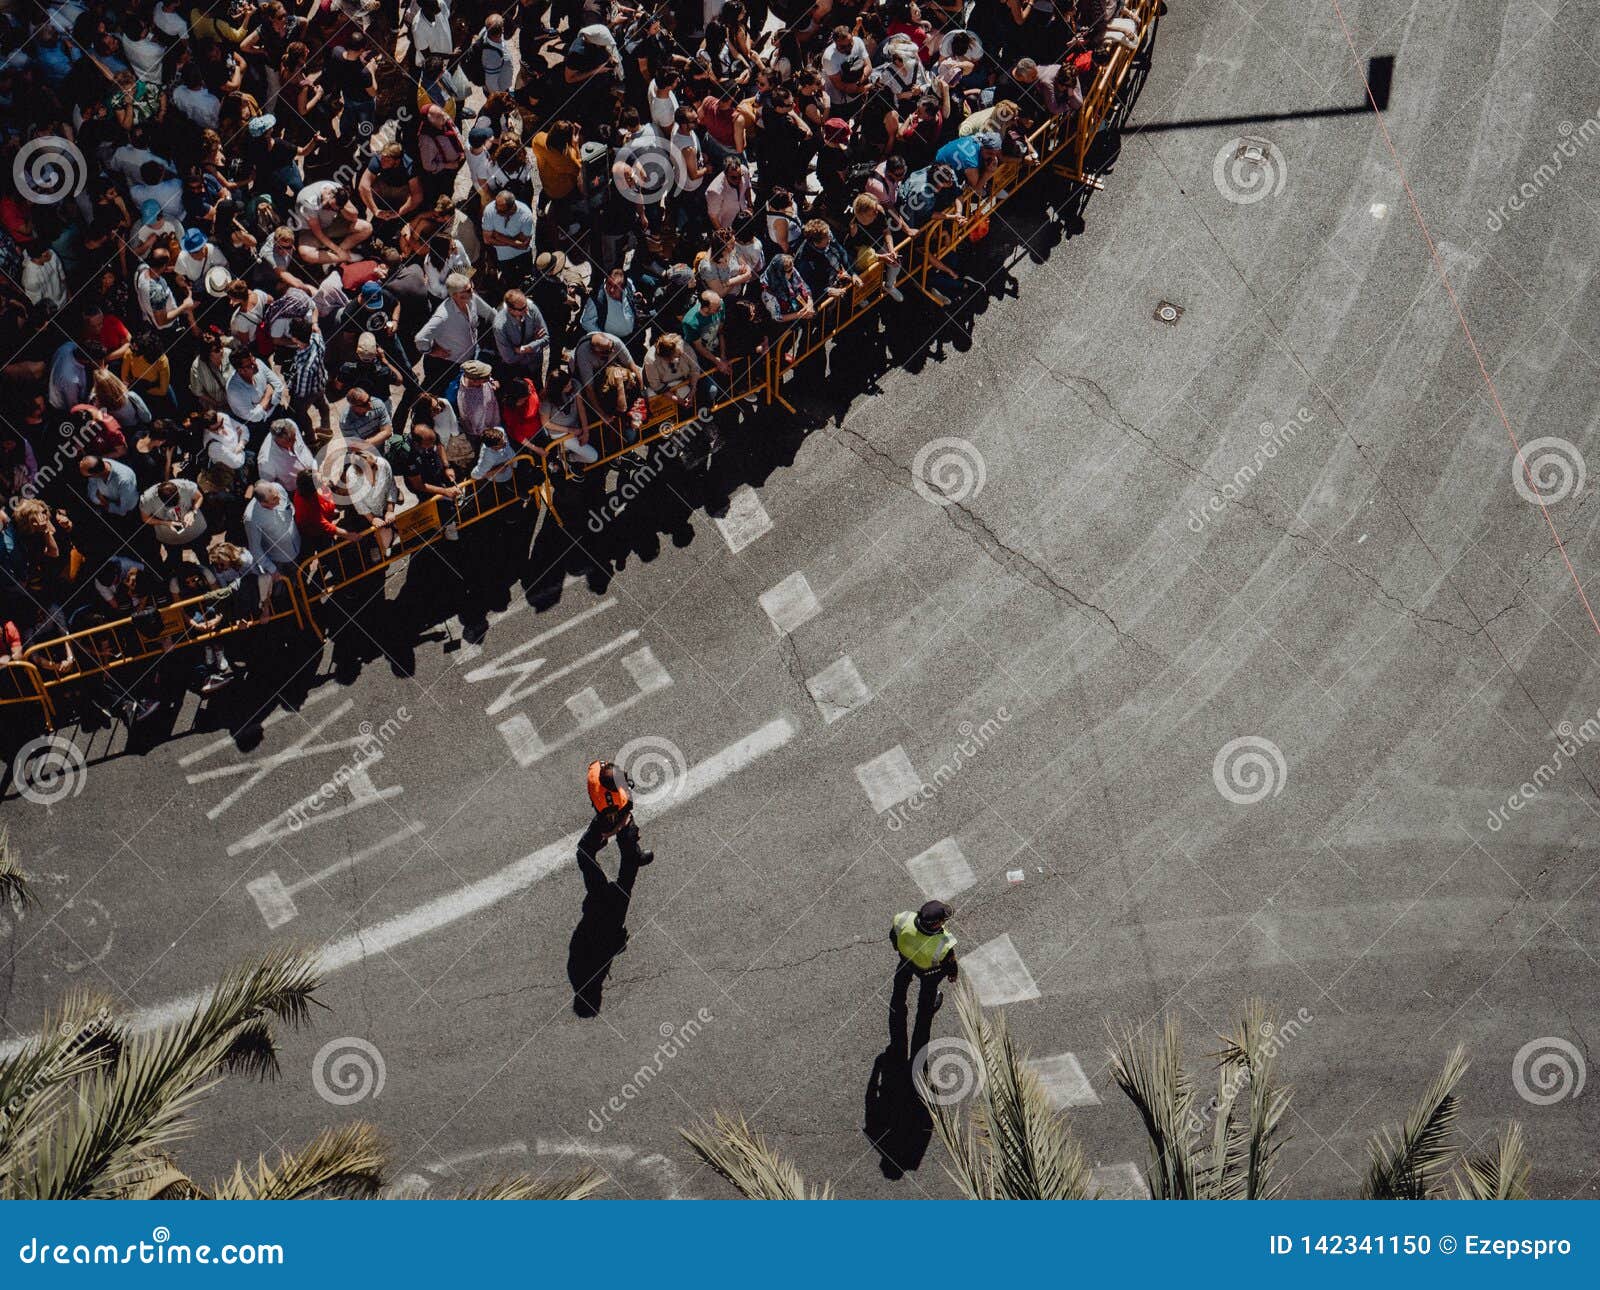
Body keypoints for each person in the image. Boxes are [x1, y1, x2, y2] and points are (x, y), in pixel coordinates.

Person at [890, 900, 959, 1053]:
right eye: (943, 920)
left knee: (902, 978)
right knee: (928, 993)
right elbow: (949, 963)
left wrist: (898, 948)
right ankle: (928, 1007)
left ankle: (899, 994)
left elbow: (893, 935)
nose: (944, 923)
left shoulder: (903, 918)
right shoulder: (943, 942)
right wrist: (953, 974)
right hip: (928, 971)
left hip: (906, 959)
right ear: (935, 925)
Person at [582, 759, 654, 867]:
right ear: (611, 789)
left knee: (599, 825)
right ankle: (633, 857)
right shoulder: (612, 804)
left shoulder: (598, 766)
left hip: (598, 803)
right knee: (628, 832)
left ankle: (588, 844)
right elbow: (626, 813)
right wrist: (624, 823)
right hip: (607, 811)